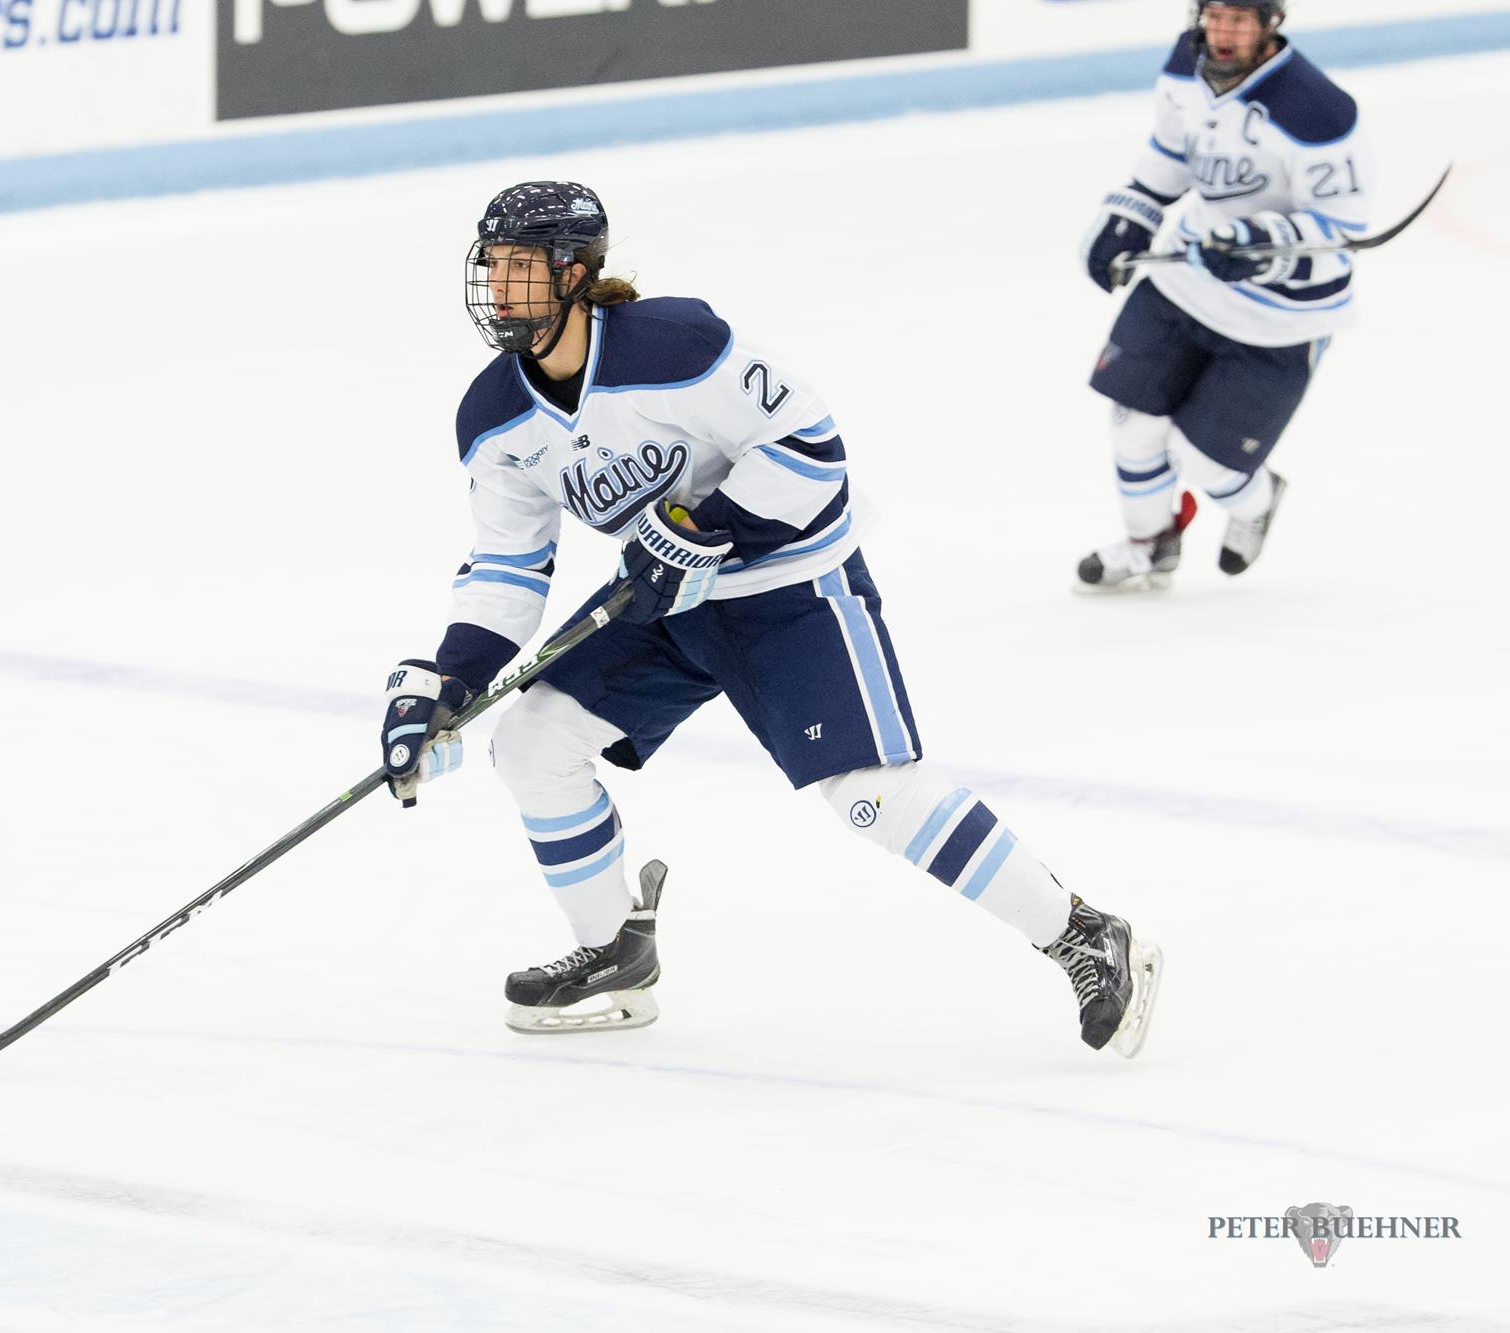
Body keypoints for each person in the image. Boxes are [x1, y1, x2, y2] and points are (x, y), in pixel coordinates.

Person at [376, 180, 1162, 1055]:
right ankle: (613, 953)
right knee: (532, 743)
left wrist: (709, 531)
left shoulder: (675, 345)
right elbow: (508, 564)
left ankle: (1082, 931)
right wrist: (449, 677)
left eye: (521, 266)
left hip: (790, 587)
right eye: (492, 264)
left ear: (575, 272)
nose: (499, 285)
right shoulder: (493, 418)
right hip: (667, 602)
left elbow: (812, 448)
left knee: (871, 796)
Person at [1077, 0, 1371, 589]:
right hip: (1187, 278)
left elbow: (1342, 229)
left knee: (1207, 462)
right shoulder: (1186, 64)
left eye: (1241, 19)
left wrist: (1259, 239)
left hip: (1279, 316)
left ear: (1270, 24)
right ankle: (1147, 545)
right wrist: (1131, 214)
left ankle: (1256, 501)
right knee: (1133, 423)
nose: (1224, 32)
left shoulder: (1318, 108)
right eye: (1215, 15)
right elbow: (1169, 153)